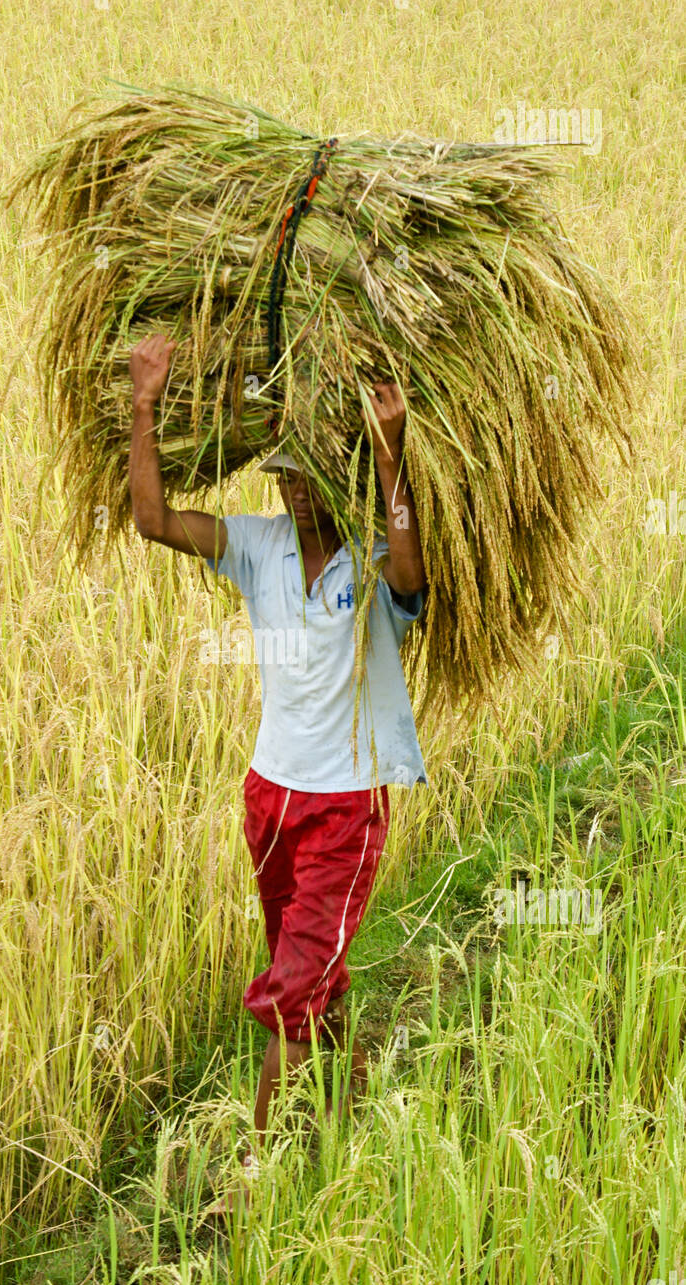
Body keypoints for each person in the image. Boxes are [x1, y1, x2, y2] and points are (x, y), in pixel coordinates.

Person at [127, 332, 428, 1213]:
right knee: (310, 979)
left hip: (344, 809)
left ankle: (252, 1184)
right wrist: (146, 404)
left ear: (336, 480)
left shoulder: (373, 561)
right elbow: (152, 520)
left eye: (308, 475)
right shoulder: (255, 547)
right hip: (269, 796)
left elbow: (413, 569)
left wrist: (390, 451)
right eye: (284, 473)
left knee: (291, 991)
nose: (294, 489)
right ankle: (354, 1093)